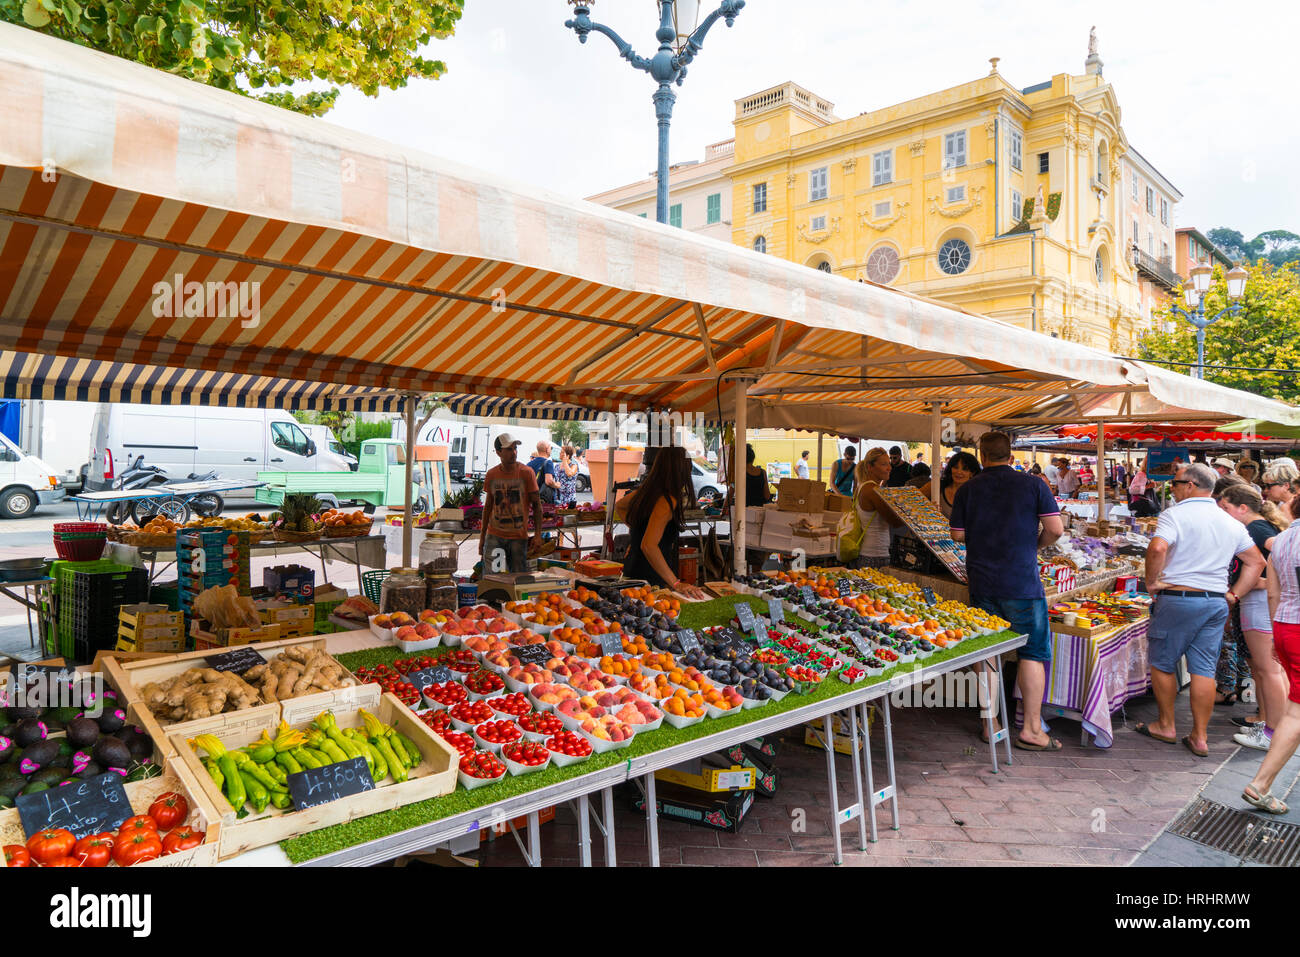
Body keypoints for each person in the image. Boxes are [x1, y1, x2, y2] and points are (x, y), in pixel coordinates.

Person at [1137, 463, 1265, 757]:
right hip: (1215, 601)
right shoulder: (1230, 522)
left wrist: (1152, 581)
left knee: (1163, 663)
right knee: (1203, 670)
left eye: (1176, 483)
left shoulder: (1175, 514)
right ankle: (1200, 736)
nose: (1173, 488)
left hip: (1181, 598)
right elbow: (1256, 562)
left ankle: (1166, 725)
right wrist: (1233, 595)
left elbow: (1157, 549)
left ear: (1191, 485)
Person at [950, 432, 1064, 750]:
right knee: (1032, 653)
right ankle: (1031, 728)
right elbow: (1055, 529)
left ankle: (991, 724)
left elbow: (957, 535)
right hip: (1023, 583)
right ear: (1011, 456)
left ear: (982, 456)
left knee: (986, 651)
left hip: (982, 581)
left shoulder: (968, 489)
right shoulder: (1034, 485)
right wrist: (1035, 545)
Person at [1214, 483, 1291, 751]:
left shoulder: (1256, 528)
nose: (1222, 513)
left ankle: (1274, 733)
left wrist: (1264, 582)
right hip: (1258, 603)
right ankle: (1271, 726)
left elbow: (1280, 555)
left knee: (1268, 670)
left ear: (1242, 508)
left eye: (1226, 508)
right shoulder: (1257, 526)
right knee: (1265, 670)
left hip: (1260, 604)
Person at [1242, 516, 1300, 813]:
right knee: (1296, 713)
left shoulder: (1285, 539)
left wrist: (1278, 634)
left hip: (1285, 625)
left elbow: (1274, 593)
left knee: (1296, 710)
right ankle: (1261, 784)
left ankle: (1261, 784)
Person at [615, 447, 708, 599]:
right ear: (681, 470)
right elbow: (649, 545)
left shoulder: (648, 490)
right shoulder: (666, 500)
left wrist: (638, 532)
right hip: (650, 579)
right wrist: (676, 583)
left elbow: (620, 506)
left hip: (632, 573)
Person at [479, 433, 542, 573]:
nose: (514, 452)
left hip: (518, 538)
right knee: (494, 579)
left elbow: (537, 506)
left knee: (517, 580)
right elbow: (488, 506)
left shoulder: (527, 473)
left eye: (515, 448)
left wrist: (538, 535)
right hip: (495, 536)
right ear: (498, 452)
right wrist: (482, 537)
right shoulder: (492, 474)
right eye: (509, 449)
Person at [852, 447, 903, 568]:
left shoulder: (862, 487)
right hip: (875, 555)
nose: (889, 468)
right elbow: (895, 521)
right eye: (884, 464)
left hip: (866, 552)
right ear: (870, 467)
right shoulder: (873, 490)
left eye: (889, 464)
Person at [920, 451, 981, 521]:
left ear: (972, 473)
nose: (959, 472)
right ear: (950, 468)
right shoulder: (936, 486)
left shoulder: (978, 496)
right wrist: (926, 510)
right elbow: (911, 503)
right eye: (955, 467)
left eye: (965, 469)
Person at [527, 441, 560, 505]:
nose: (551, 450)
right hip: (544, 499)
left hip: (531, 498)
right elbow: (549, 481)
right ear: (547, 449)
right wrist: (557, 485)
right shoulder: (548, 463)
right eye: (551, 448)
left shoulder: (529, 464)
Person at [557, 444, 579, 508]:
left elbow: (569, 474)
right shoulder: (557, 466)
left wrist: (564, 461)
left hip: (569, 497)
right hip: (559, 497)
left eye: (562, 452)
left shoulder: (574, 465)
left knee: (569, 516)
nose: (560, 453)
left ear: (568, 455)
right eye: (560, 452)